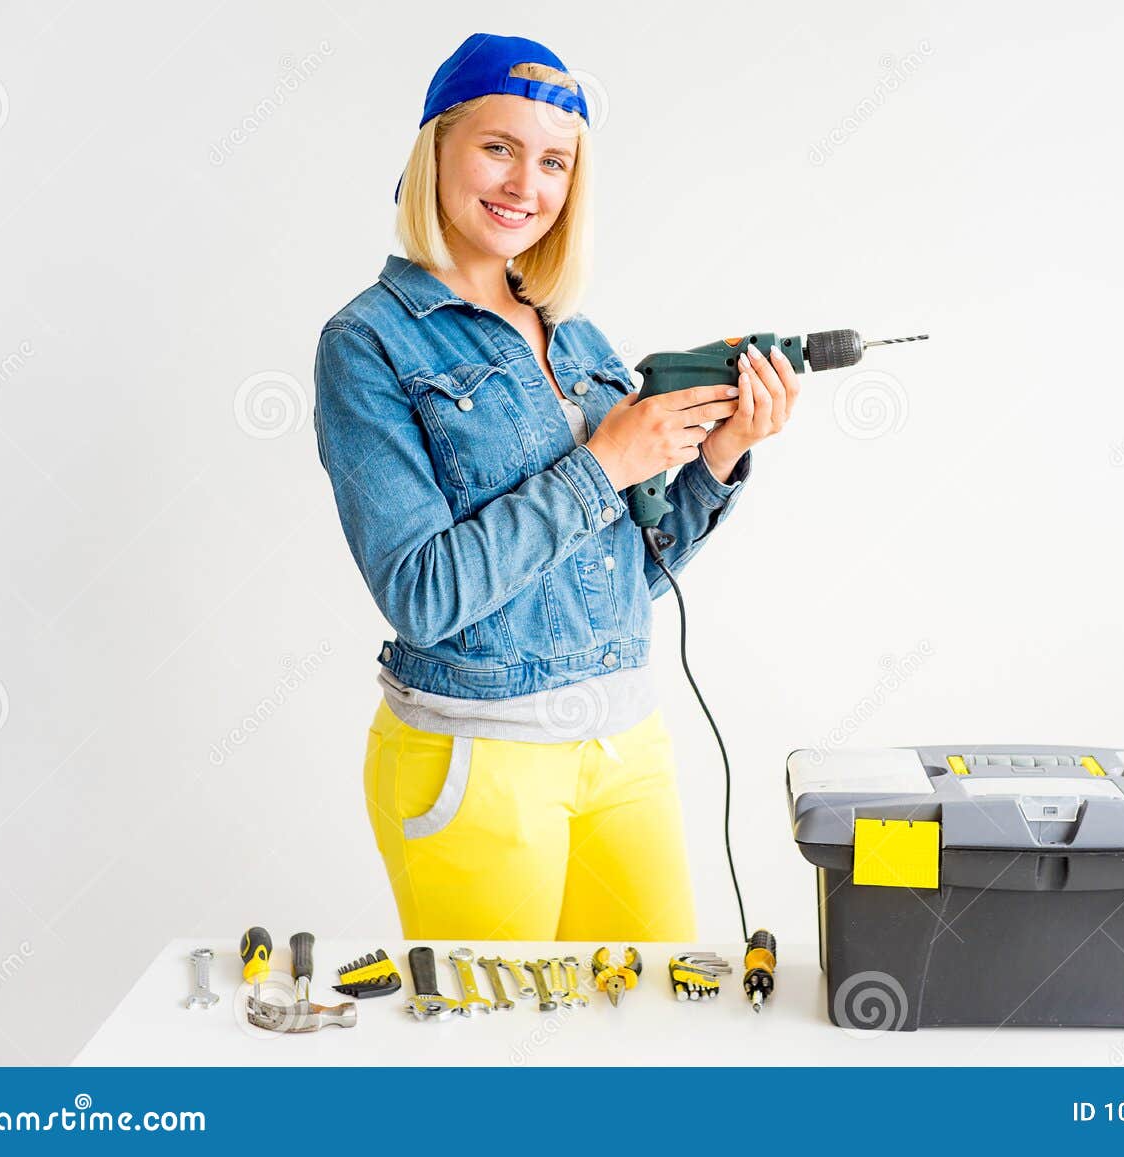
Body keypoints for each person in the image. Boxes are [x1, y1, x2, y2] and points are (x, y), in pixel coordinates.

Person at [311, 33, 799, 940]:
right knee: (494, 1061)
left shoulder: (572, 333)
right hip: (476, 753)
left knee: (654, 1040)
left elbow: (626, 574)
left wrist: (720, 458)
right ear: (437, 149)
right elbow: (424, 593)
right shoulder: (370, 344)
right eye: (498, 147)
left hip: (624, 743)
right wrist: (605, 462)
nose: (523, 186)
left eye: (554, 162)